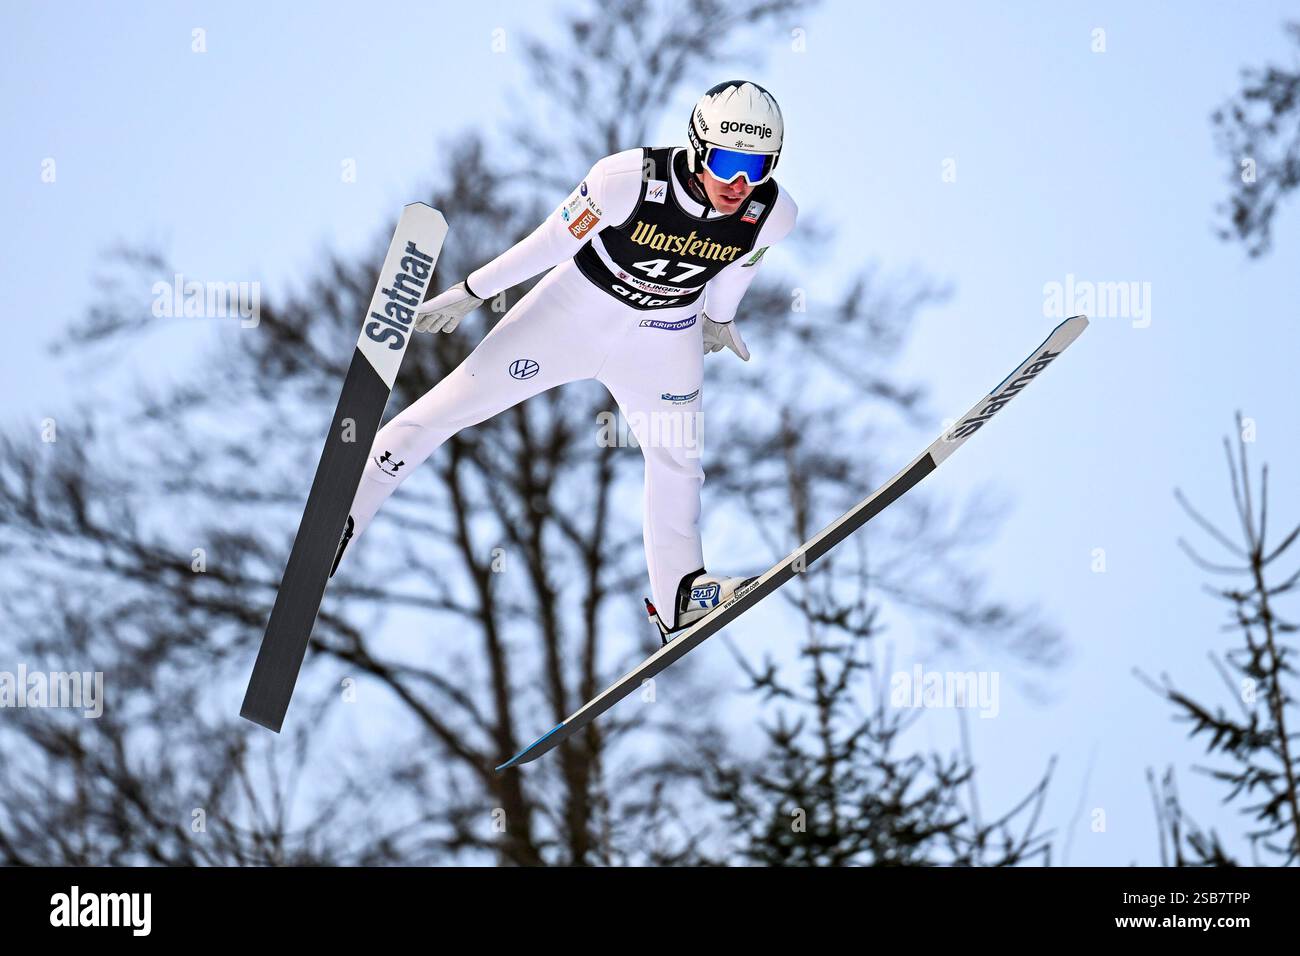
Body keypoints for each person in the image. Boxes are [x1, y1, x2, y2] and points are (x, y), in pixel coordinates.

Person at [334, 79, 798, 643]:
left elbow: (741, 265)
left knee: (679, 457)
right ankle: (348, 508)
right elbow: (552, 242)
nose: (740, 184)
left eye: (759, 166)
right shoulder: (627, 180)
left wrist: (719, 317)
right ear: (700, 147)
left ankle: (680, 594)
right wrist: (474, 290)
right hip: (575, 313)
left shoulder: (772, 211)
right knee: (456, 404)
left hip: (665, 333)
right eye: (727, 162)